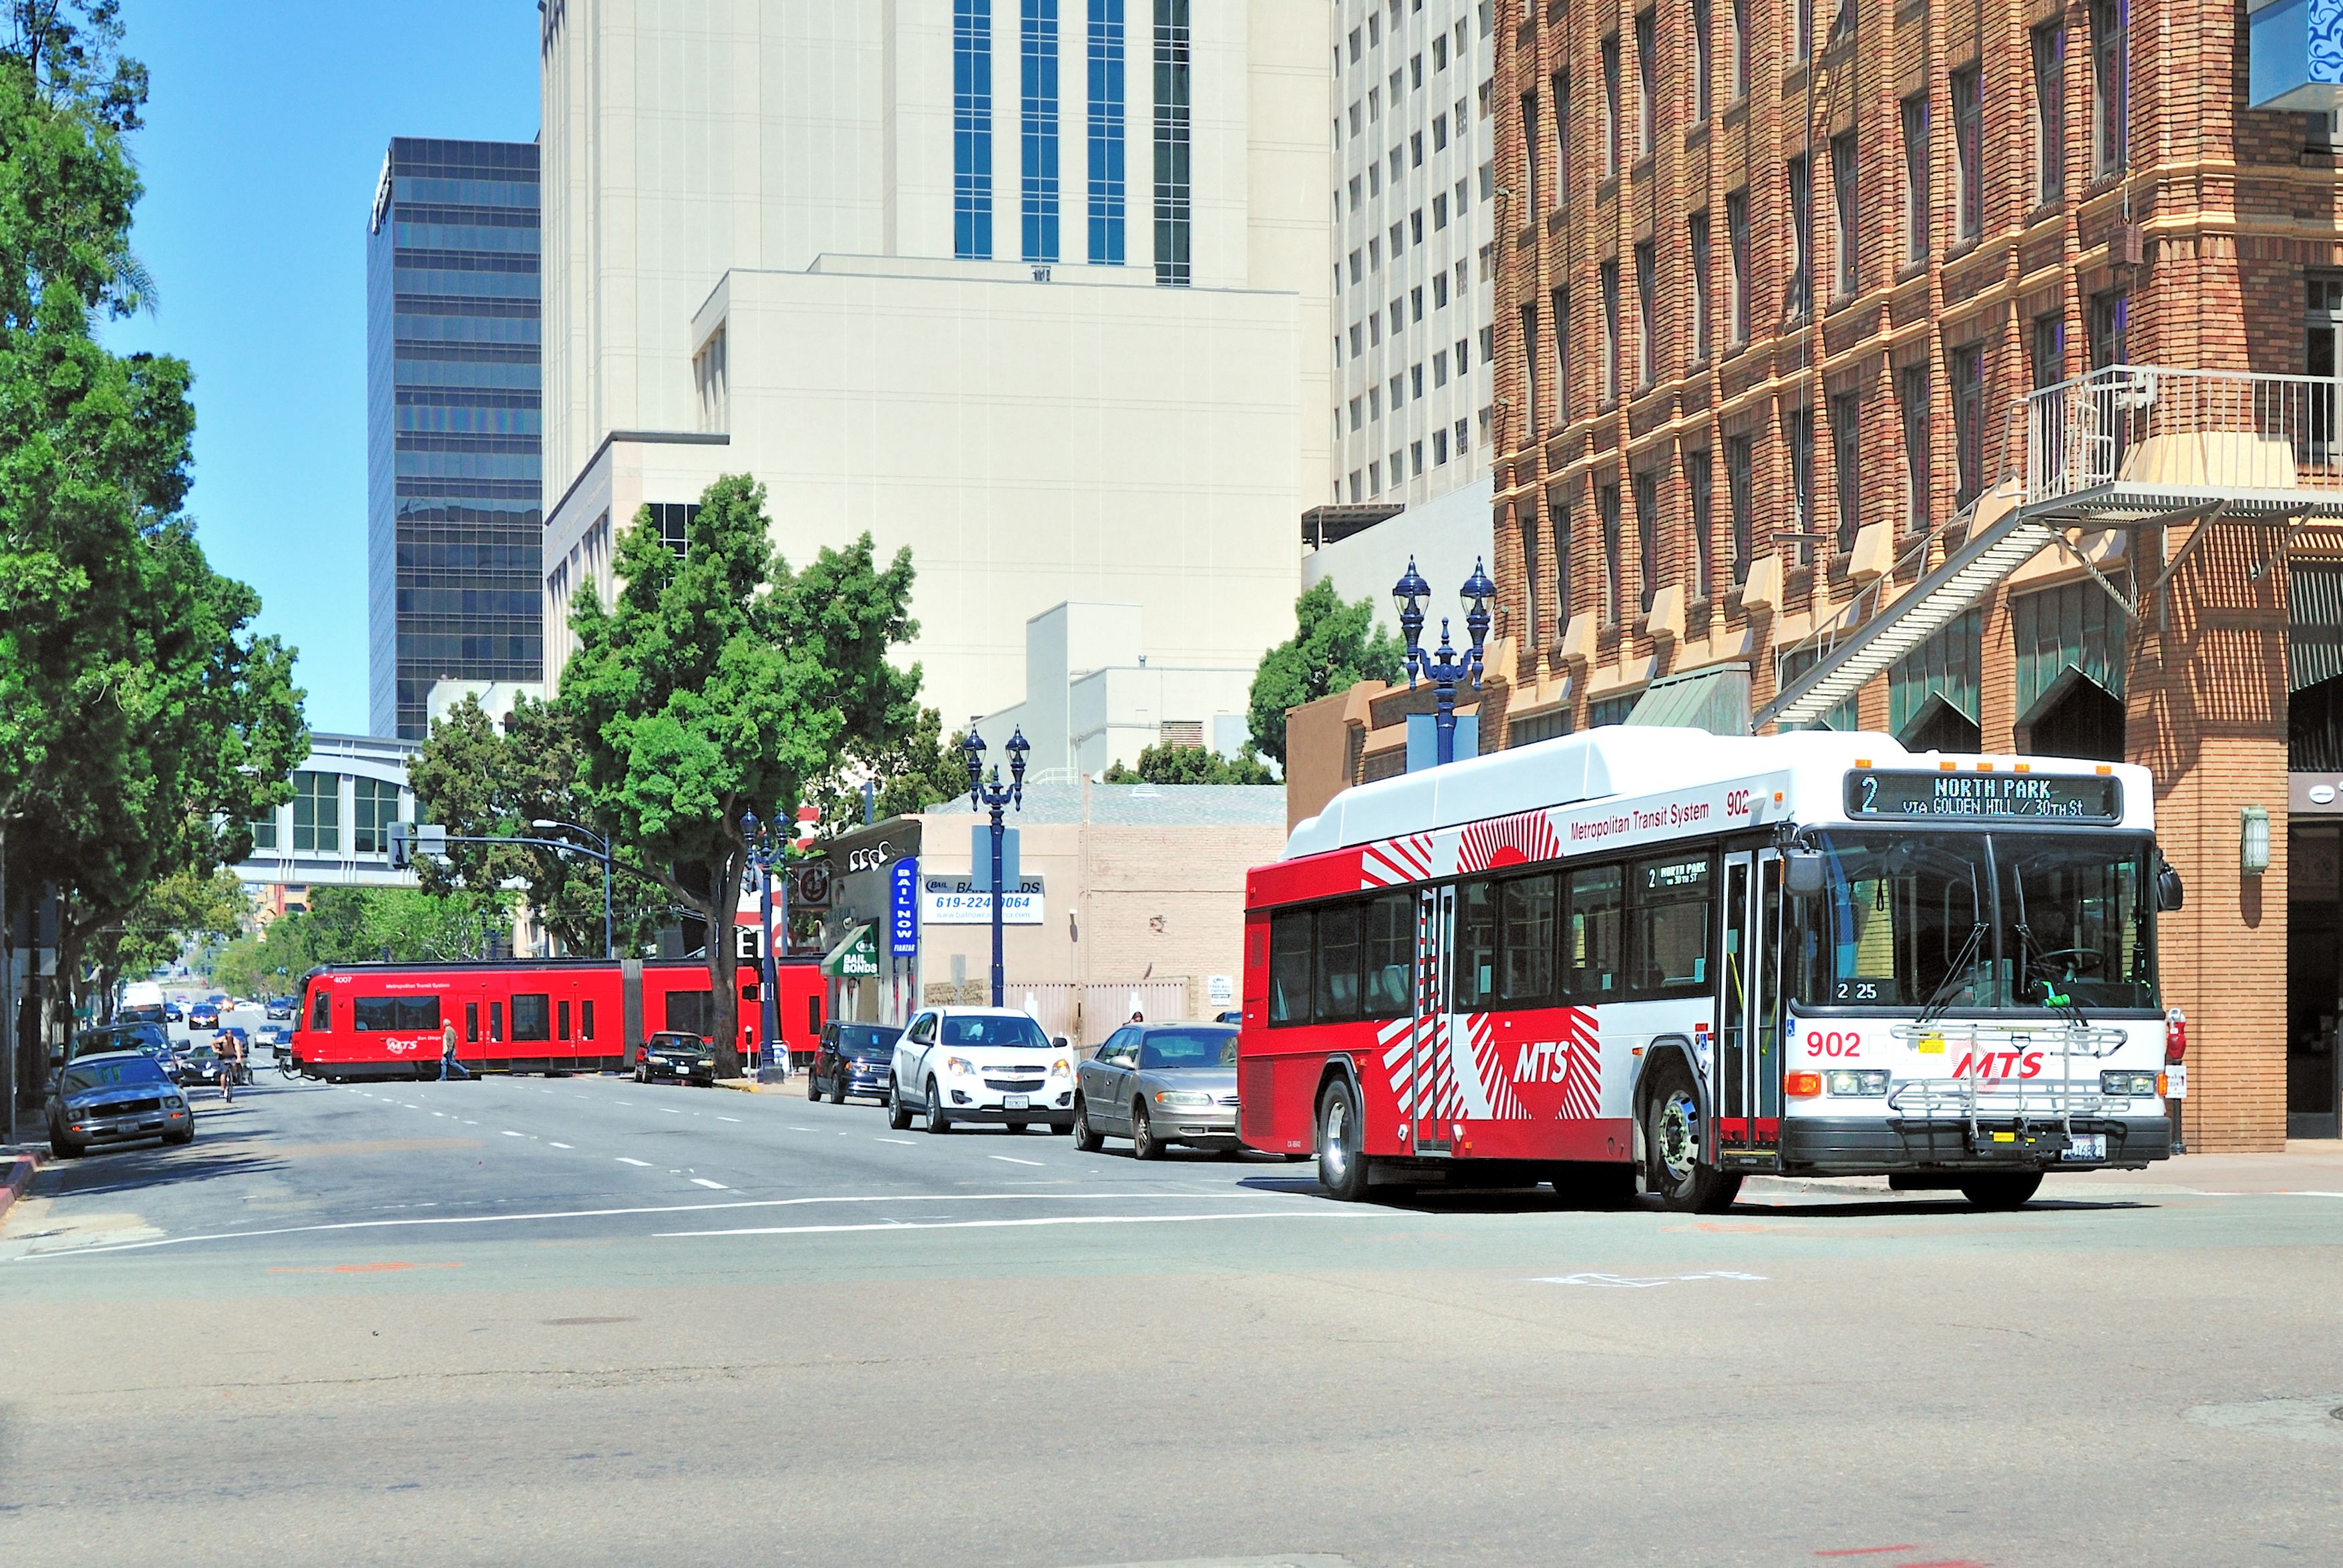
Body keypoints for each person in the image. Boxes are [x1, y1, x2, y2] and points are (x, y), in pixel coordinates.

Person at [439, 1017, 469, 1081]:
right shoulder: (449, 1029)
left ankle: (465, 1072)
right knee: (443, 1062)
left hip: (449, 1050)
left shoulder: (449, 1030)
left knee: (452, 1063)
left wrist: (450, 1049)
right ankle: (443, 1077)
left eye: (443, 1023)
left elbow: (452, 1040)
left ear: (445, 1024)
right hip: (446, 1050)